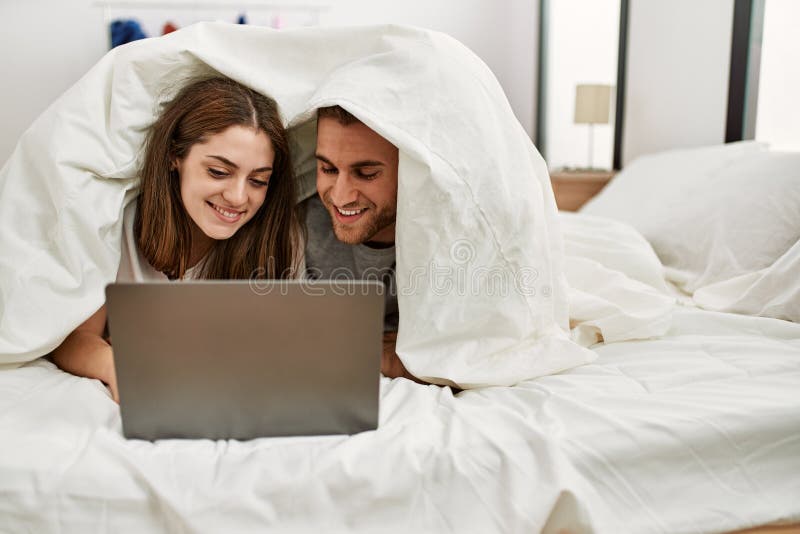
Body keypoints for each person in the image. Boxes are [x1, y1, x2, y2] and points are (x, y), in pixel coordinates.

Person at [51, 77, 301, 401]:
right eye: (218, 172)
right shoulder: (117, 225)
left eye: (257, 180)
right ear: (175, 156)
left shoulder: (281, 236)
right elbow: (76, 337)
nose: (239, 197)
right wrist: (115, 366)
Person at [304, 105, 421, 383]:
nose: (341, 196)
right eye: (328, 168)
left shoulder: (453, 237)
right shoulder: (298, 224)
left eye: (366, 173)